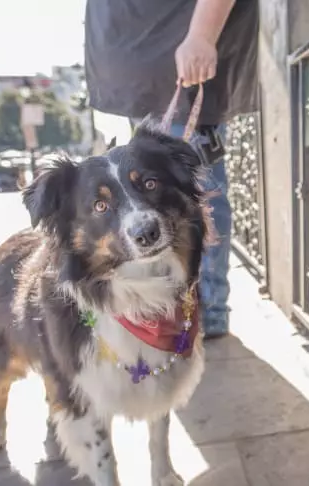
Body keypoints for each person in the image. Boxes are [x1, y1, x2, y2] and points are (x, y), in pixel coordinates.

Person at [85, 0, 258, 339]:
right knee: (157, 204)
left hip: (180, 58)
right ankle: (178, 311)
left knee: (193, 199)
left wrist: (202, 34)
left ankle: (203, 312)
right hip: (145, 72)